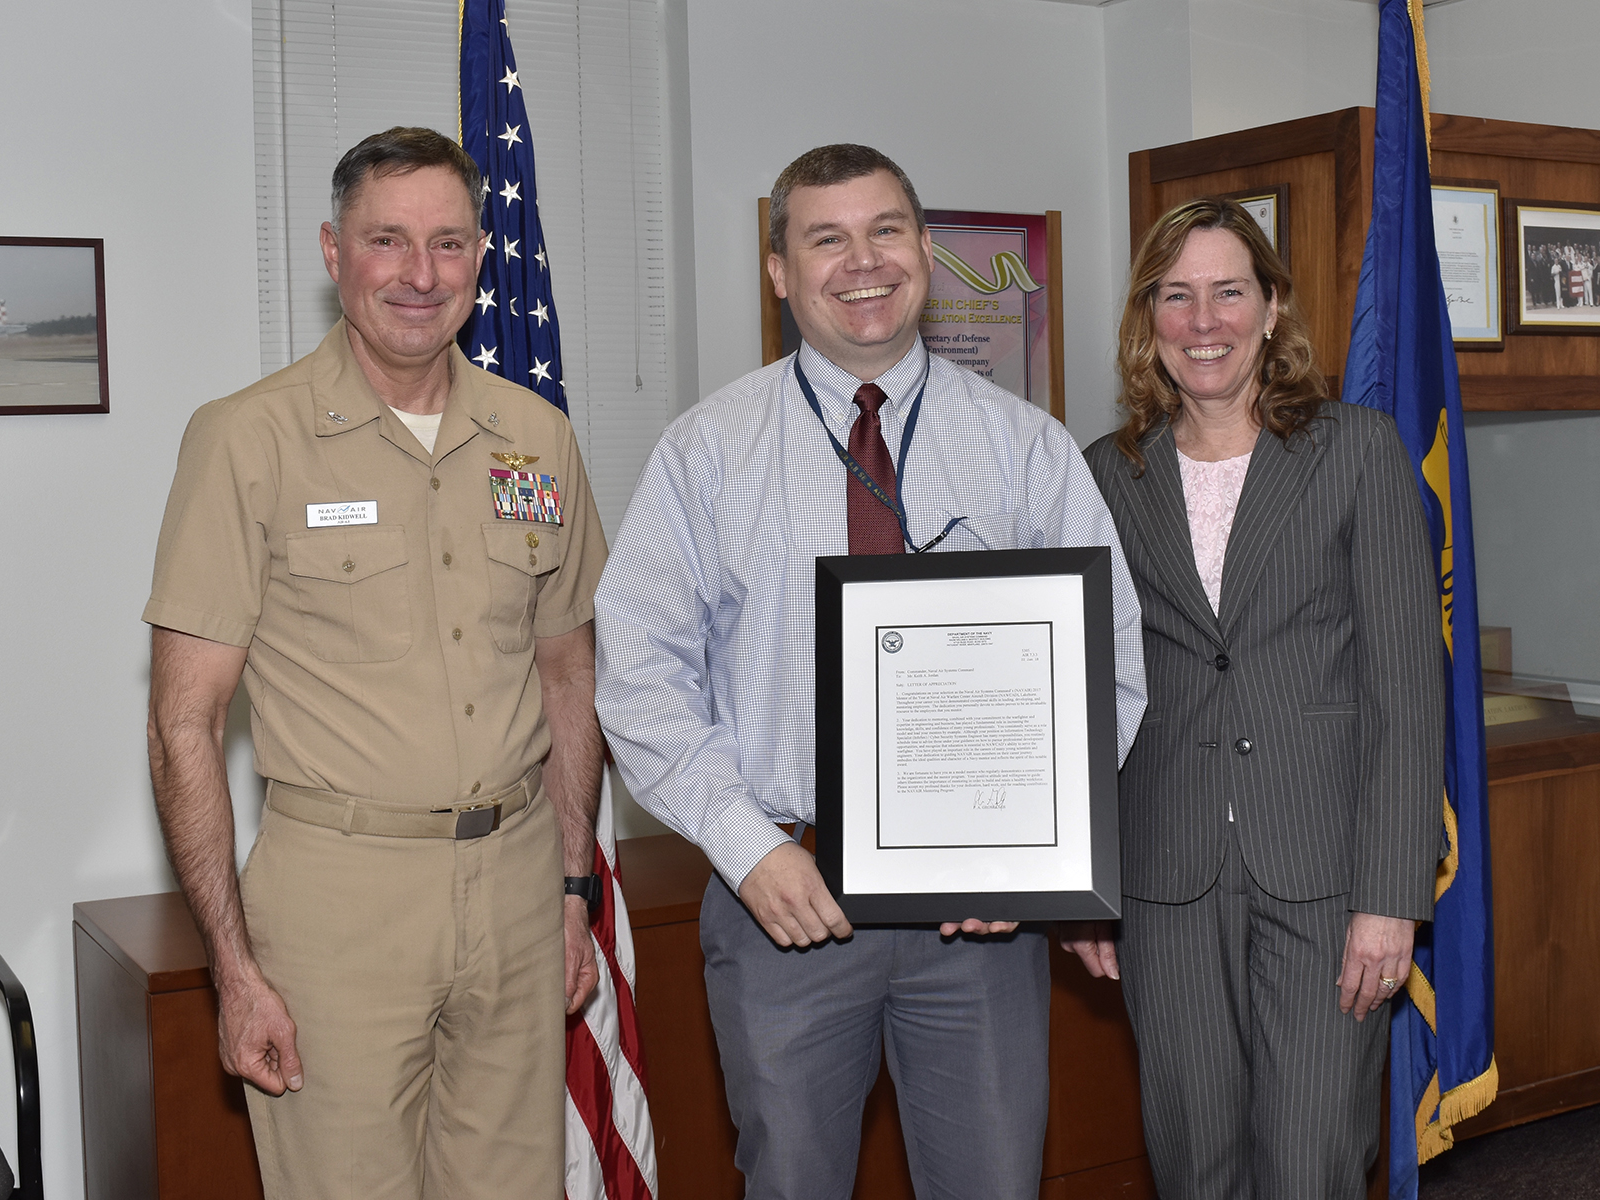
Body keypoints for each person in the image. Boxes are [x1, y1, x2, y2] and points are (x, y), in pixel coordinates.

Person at [593, 143, 1147, 1199]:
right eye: (825, 238)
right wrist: (748, 850)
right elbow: (639, 674)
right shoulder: (706, 453)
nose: (863, 262)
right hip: (783, 897)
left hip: (976, 921)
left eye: (886, 230)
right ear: (779, 271)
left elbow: (1106, 663)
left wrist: (1031, 857)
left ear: (926, 251)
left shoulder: (1024, 449)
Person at [143, 126, 607, 1200]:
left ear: (482, 257)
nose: (419, 273)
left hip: (519, 888)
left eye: (448, 243)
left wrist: (575, 884)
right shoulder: (247, 439)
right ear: (331, 250)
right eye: (386, 240)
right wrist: (234, 965)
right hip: (337, 901)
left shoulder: (537, 438)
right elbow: (182, 723)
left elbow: (568, 675)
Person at [1074, 197, 1444, 1199]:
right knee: (1194, 1162)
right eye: (1177, 295)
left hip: (1329, 881)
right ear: (1148, 317)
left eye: (1229, 292)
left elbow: (1407, 692)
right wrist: (1078, 883)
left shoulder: (1358, 451)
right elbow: (1081, 695)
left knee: (1315, 1159)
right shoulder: (1105, 474)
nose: (1205, 322)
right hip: (1164, 878)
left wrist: (1393, 898)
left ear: (1272, 306)